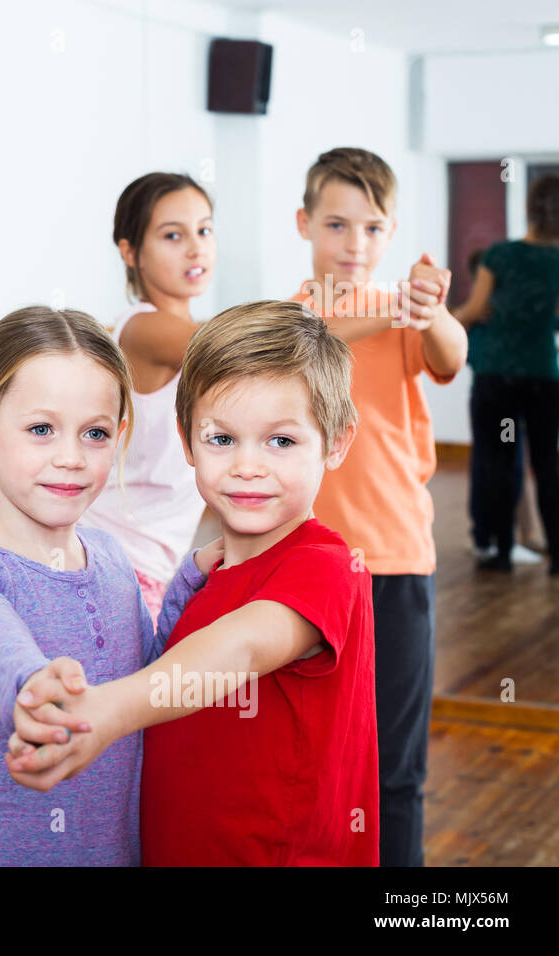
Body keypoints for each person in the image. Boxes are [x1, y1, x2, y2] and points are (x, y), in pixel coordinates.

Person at [7, 300, 379, 866]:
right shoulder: (207, 576)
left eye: (281, 441)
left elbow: (241, 647)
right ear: (187, 441)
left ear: (336, 441)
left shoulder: (326, 566)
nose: (247, 466)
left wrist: (105, 711)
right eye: (222, 439)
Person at [0, 306, 220, 865]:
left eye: (95, 433)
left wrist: (191, 582)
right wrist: (32, 684)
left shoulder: (109, 555)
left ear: (120, 436)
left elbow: (141, 671)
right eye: (40, 429)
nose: (71, 457)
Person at [290, 147, 467, 866]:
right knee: (313, 759)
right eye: (336, 225)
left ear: (389, 233)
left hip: (396, 557)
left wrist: (431, 311)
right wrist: (398, 305)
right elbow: (311, 339)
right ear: (305, 224)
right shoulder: (294, 312)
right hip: (310, 565)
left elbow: (452, 359)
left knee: (396, 765)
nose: (353, 244)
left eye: (370, 228)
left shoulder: (405, 316)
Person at [79, 172, 215, 622]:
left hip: (147, 567)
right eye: (173, 235)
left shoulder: (190, 335)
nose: (196, 248)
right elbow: (255, 344)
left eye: (204, 229)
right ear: (130, 251)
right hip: (117, 569)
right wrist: (393, 307)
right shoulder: (142, 328)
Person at [452, 174, 559, 573]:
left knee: (501, 456)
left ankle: (500, 549)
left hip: (499, 384)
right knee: (547, 464)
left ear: (530, 210)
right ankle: (556, 555)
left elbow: (477, 310)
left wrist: (453, 319)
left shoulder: (499, 255)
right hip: (542, 380)